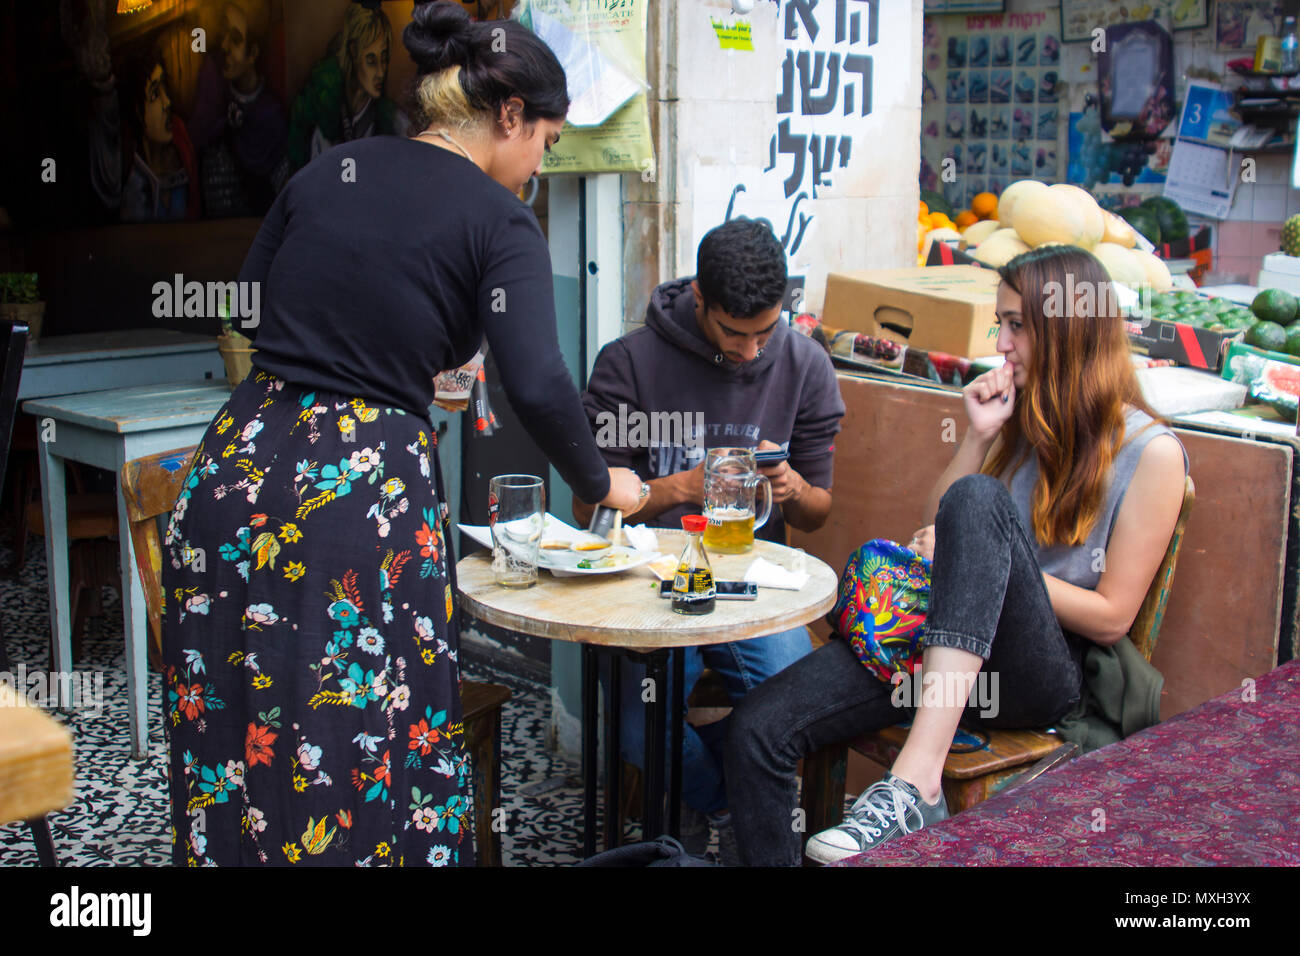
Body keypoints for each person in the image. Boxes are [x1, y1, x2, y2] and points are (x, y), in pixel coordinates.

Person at [160, 0, 644, 867]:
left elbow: (250, 305)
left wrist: (391, 358)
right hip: (355, 501)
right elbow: (538, 380)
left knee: (238, 731)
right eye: (546, 139)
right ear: (508, 117)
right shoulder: (502, 222)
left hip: (233, 472)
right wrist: (604, 481)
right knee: (356, 739)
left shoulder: (330, 170)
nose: (542, 161)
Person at [725, 244, 1189, 866]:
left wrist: (993, 556)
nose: (1003, 343)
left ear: (1068, 328)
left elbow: (1112, 616)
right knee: (757, 727)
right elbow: (937, 521)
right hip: (940, 645)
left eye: (1018, 325)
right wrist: (976, 435)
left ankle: (917, 783)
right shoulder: (1021, 416)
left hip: (1041, 672)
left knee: (977, 503)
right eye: (1002, 324)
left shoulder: (1151, 452)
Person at [574, 217, 845, 860]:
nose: (752, 351)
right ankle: (723, 803)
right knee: (641, 727)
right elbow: (590, 505)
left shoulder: (804, 364)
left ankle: (707, 814)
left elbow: (819, 513)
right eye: (734, 332)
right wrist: (679, 489)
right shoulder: (630, 363)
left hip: (755, 578)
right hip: (647, 582)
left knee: (792, 704)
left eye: (766, 331)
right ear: (699, 297)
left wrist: (794, 492)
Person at [288, 3, 411, 171]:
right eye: (371, 60)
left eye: (383, 58)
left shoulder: (395, 122)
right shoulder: (324, 120)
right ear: (353, 53)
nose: (381, 72)